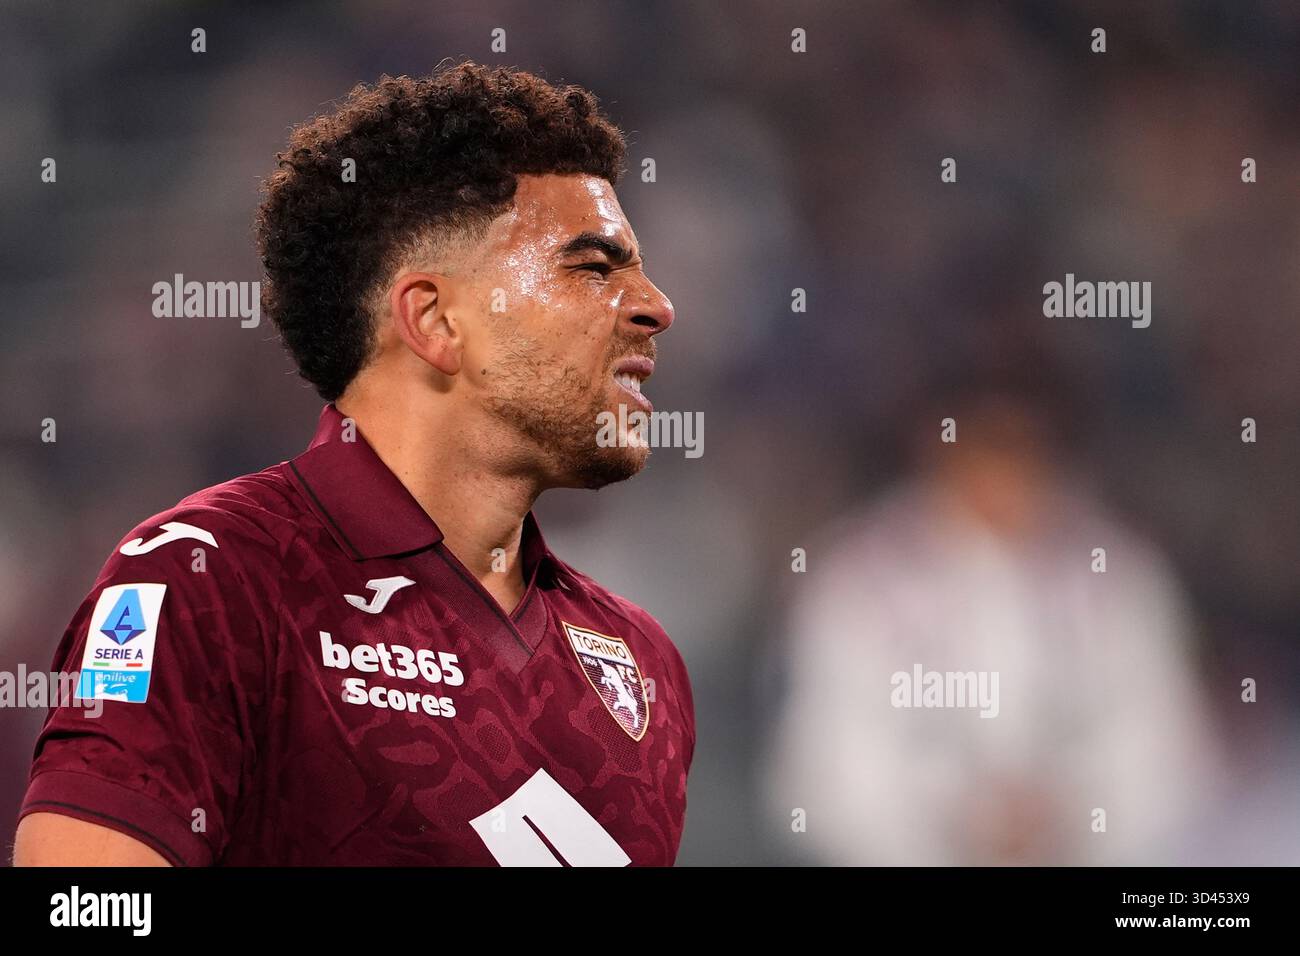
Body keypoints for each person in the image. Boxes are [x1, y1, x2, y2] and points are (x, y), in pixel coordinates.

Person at [14, 62, 693, 866]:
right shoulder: (204, 584)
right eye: (593, 266)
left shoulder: (642, 664)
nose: (656, 305)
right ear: (435, 321)